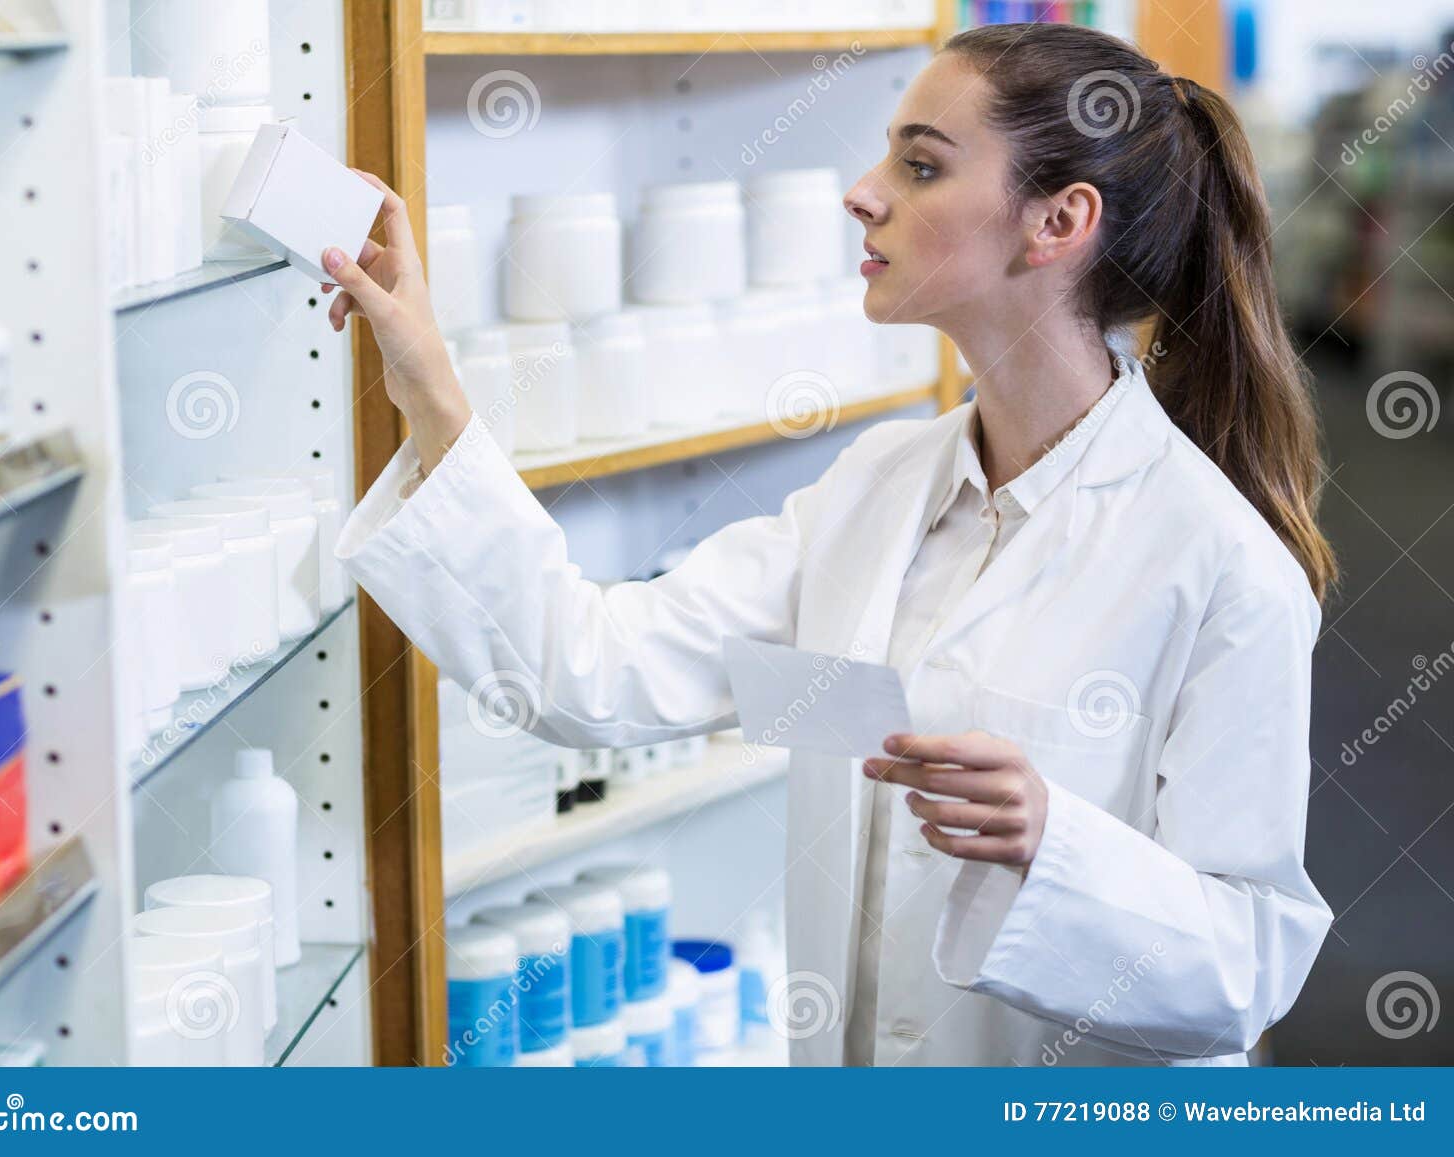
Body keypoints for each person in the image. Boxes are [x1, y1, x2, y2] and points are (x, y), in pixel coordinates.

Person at [320, 22, 1335, 1066]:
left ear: (1057, 221)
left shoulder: (1218, 564)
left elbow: (1247, 968)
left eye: (921, 163)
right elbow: (595, 670)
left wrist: (1054, 843)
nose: (862, 190)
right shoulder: (877, 489)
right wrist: (432, 390)